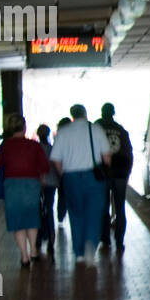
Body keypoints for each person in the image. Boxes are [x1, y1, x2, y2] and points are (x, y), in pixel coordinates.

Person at [50, 104, 112, 266]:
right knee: (94, 213)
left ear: (72, 115)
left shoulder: (63, 132)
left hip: (71, 178)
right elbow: (107, 157)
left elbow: (56, 159)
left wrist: (64, 174)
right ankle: (90, 246)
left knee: (76, 214)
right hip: (93, 177)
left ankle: (78, 253)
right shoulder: (96, 130)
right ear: (85, 114)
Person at [0, 114, 50, 268]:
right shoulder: (34, 146)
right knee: (32, 217)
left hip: (12, 185)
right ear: (24, 127)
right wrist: (42, 180)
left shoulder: (5, 146)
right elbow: (44, 166)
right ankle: (33, 251)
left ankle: (24, 256)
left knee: (17, 220)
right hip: (31, 184)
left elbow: (0, 164)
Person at [96, 102, 135, 252]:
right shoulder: (121, 130)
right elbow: (129, 153)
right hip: (121, 172)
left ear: (102, 112)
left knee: (103, 206)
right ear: (113, 113)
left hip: (104, 172)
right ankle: (119, 240)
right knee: (120, 207)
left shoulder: (97, 127)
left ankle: (105, 237)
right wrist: (127, 172)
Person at [36, 123, 59, 259]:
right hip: (51, 183)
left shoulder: (34, 148)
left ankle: (39, 237)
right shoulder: (52, 149)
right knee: (49, 208)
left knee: (38, 209)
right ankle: (51, 237)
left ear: (38, 135)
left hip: (37, 183)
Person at [55, 116, 72, 223]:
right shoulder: (75, 137)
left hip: (63, 171)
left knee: (62, 195)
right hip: (74, 170)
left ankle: (61, 217)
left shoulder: (59, 137)